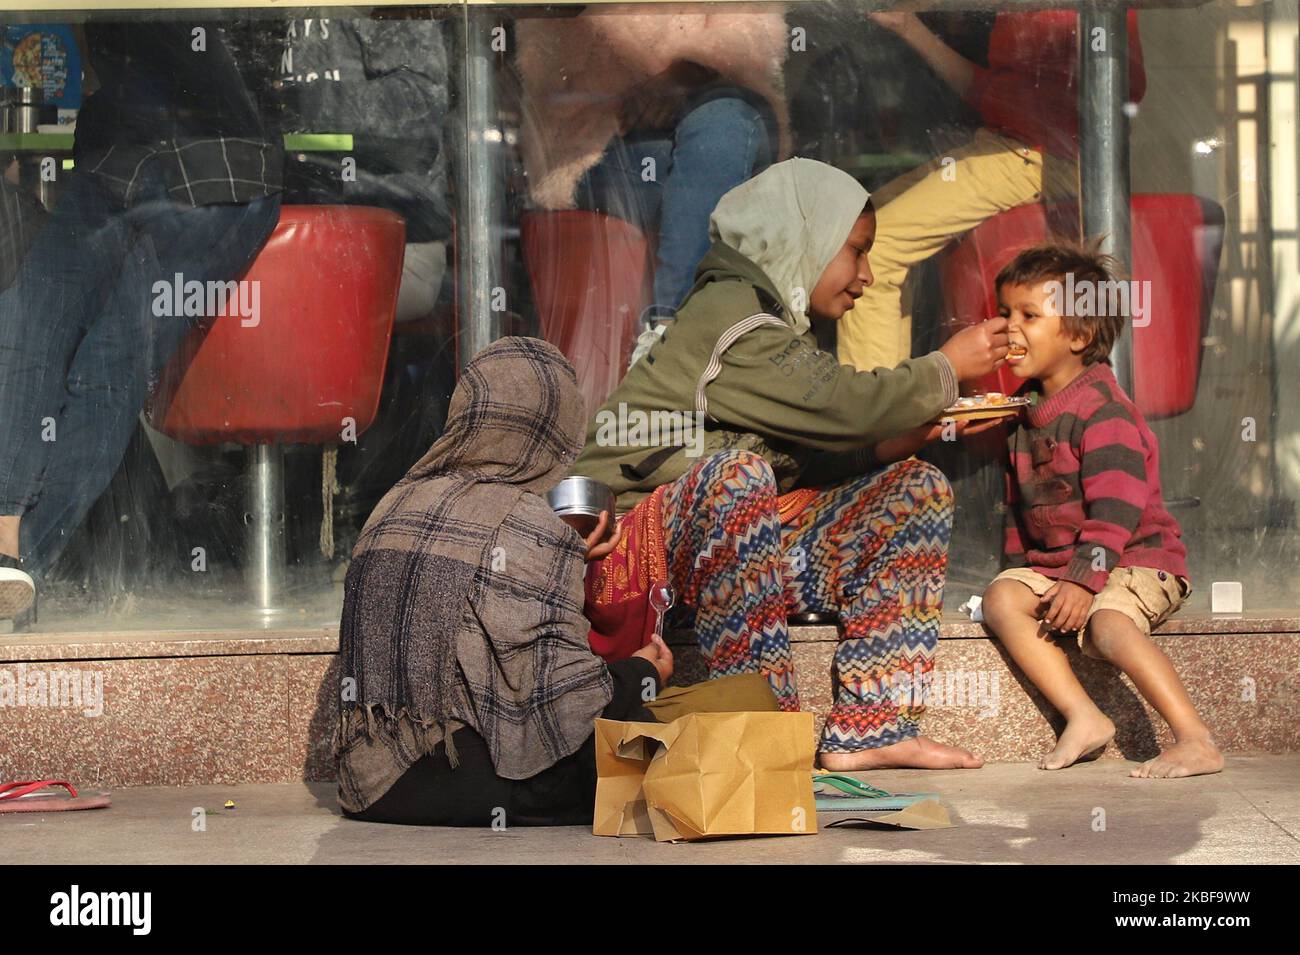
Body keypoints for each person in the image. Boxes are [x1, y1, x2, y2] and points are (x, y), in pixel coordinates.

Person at [574, 158, 1010, 770]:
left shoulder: (776, 324)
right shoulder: (734, 320)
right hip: (633, 559)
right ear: (806, 236)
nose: (866, 275)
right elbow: (840, 403)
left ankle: (873, 728)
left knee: (914, 488)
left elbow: (809, 447)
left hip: (728, 552)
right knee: (738, 478)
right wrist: (944, 368)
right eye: (856, 251)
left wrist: (900, 440)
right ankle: (761, 732)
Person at [0, 22, 282, 629]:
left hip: (209, 176)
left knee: (97, 365)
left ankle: (22, 560)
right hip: (121, 162)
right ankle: (11, 553)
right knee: (33, 333)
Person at [337, 337, 673, 826]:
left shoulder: (388, 506)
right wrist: (642, 676)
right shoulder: (524, 518)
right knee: (637, 741)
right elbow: (566, 706)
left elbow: (473, 607)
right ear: (554, 431)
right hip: (467, 784)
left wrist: (567, 560)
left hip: (368, 787)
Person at [979, 243, 1222, 778]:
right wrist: (1025, 573)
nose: (1007, 328)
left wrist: (1083, 581)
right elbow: (1023, 510)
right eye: (1003, 313)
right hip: (1071, 568)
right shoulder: (1023, 415)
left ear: (1078, 336)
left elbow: (1117, 508)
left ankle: (1195, 737)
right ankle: (1083, 715)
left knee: (1108, 627)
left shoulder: (1102, 410)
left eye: (1027, 316)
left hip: (1138, 559)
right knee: (1001, 598)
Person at [836, 9, 1145, 372]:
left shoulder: (1065, 14)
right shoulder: (1020, 16)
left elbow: (1120, 87)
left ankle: (881, 414)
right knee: (860, 222)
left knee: (877, 247)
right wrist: (909, 26)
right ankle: (897, 382)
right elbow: (987, 90)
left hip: (1047, 156)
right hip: (1010, 143)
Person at [514, 5, 790, 408]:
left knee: (722, 123)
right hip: (602, 144)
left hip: (718, 121)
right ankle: (676, 342)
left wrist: (687, 74)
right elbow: (547, 65)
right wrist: (640, 90)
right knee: (714, 140)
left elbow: (753, 35)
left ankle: (667, 335)